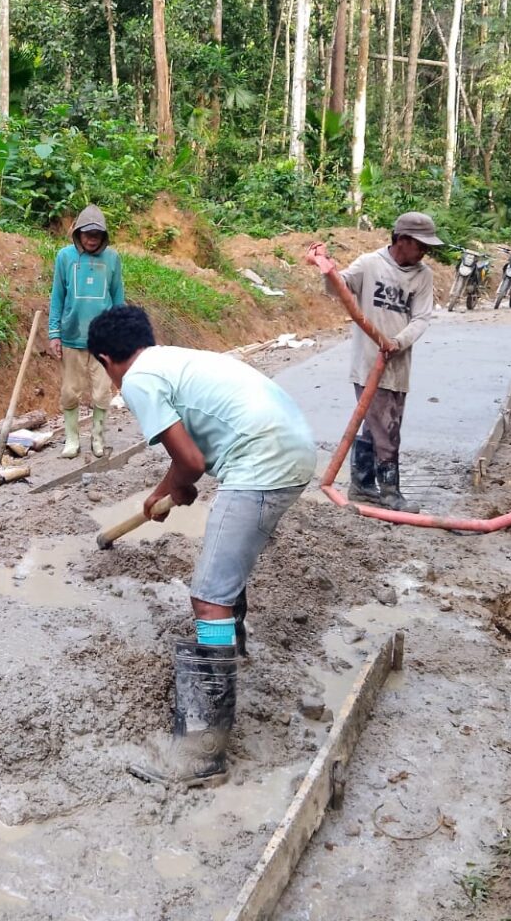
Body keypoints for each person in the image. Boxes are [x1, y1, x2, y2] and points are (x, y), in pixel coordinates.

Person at [87, 304, 316, 787]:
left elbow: (189, 461)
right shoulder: (171, 360)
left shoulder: (137, 381)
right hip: (289, 444)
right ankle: (235, 649)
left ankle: (201, 751)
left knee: (208, 598)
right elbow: (193, 460)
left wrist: (167, 488)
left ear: (106, 359)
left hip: (263, 462)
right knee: (224, 568)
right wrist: (175, 488)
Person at [310, 212, 440, 511]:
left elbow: (421, 318)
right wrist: (324, 265)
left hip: (397, 364)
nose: (425, 251)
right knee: (386, 428)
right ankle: (390, 492)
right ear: (403, 240)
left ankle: (362, 484)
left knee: (375, 425)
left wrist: (398, 342)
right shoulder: (370, 264)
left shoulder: (423, 276)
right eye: (421, 245)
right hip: (368, 363)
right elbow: (337, 289)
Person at [48, 204, 125, 458]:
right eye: (87, 234)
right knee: (70, 390)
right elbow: (57, 297)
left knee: (102, 391)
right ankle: (72, 439)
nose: (91, 239)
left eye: (97, 235)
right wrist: (54, 333)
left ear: (104, 236)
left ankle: (97, 437)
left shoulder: (112, 259)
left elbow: (117, 297)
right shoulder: (65, 257)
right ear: (78, 233)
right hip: (72, 336)